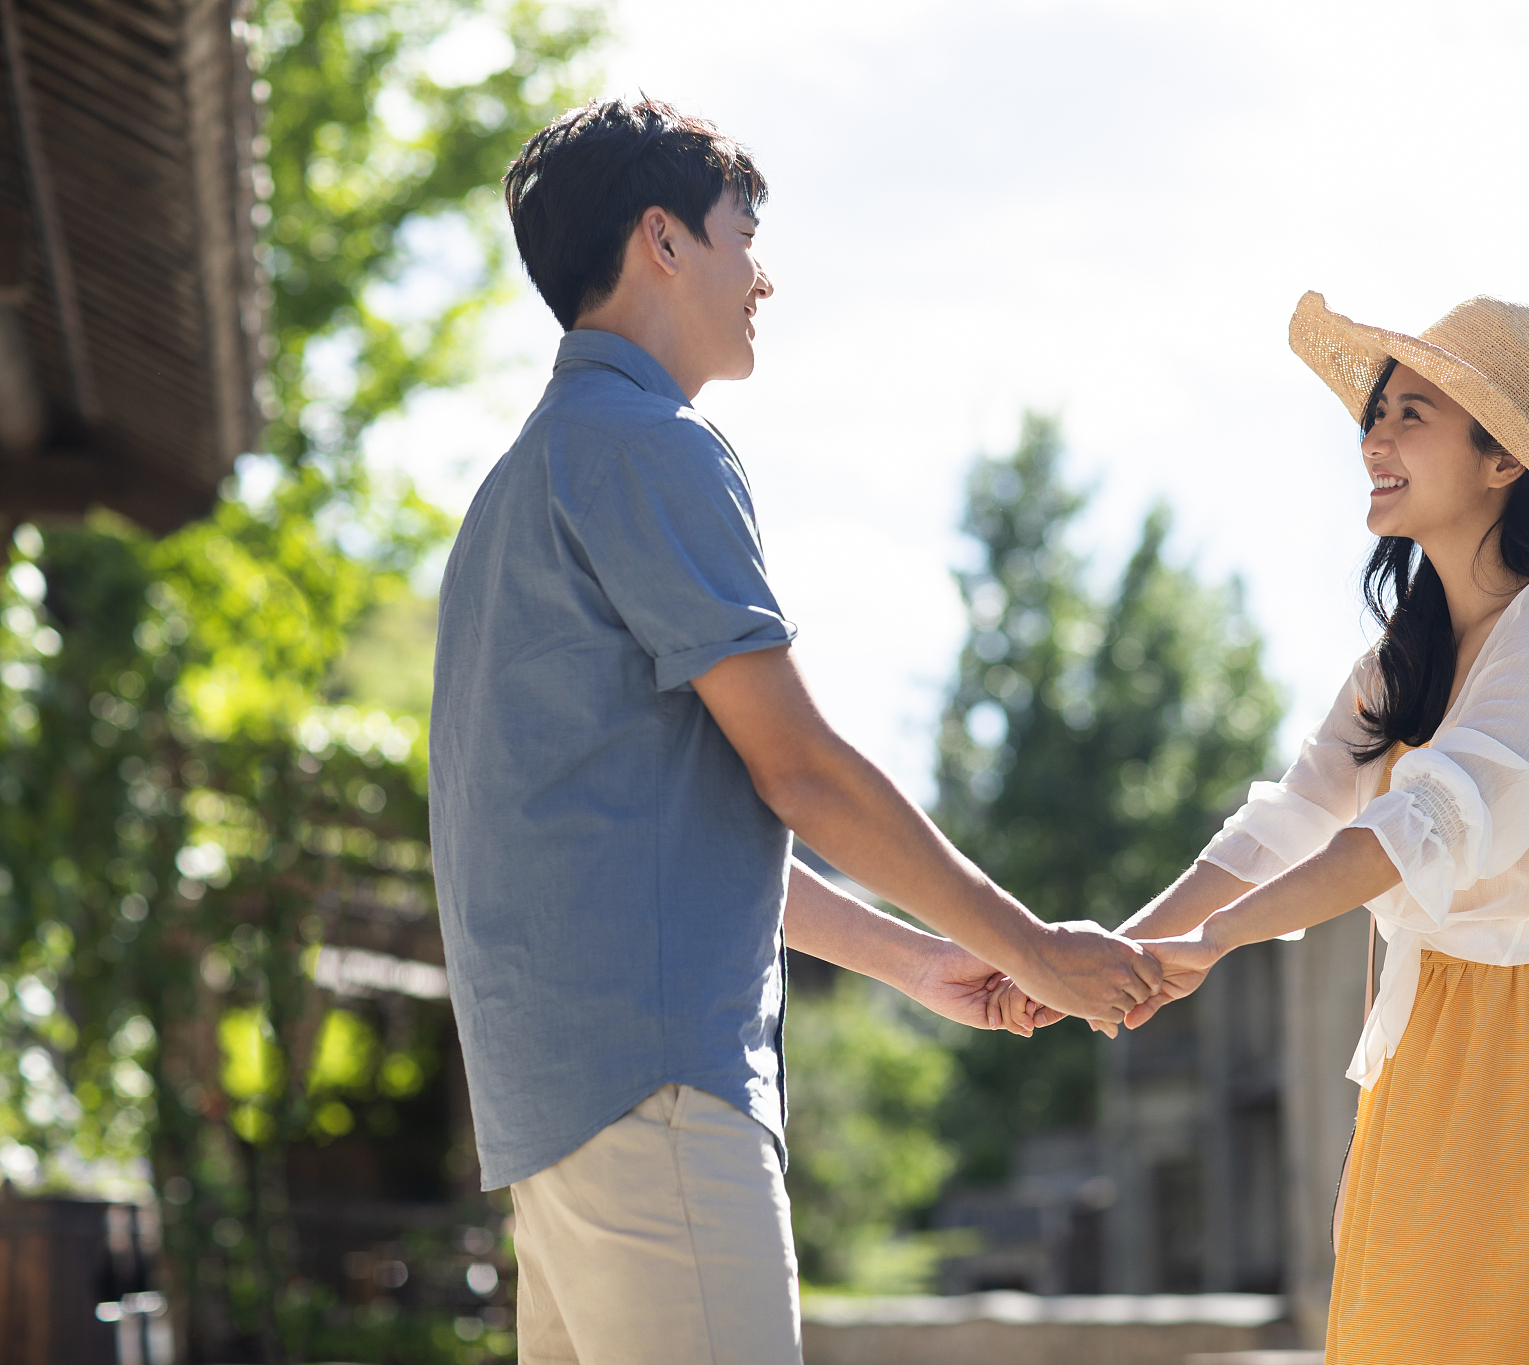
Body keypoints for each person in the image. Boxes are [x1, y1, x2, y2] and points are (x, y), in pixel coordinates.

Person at [428, 97, 1161, 1365]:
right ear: (662, 239)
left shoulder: (515, 488)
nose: (761, 273)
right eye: (740, 232)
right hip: (658, 1098)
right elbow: (802, 769)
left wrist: (913, 961)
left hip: (560, 1116)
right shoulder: (652, 447)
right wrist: (1033, 948)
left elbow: (665, 827)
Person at [1042, 293, 1529, 1361]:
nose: (1373, 440)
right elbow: (1293, 816)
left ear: (1499, 463)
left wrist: (1214, 943)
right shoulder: (1402, 657)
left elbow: (1414, 830)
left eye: (1411, 415)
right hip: (1432, 1041)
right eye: (1373, 415)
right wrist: (1128, 945)